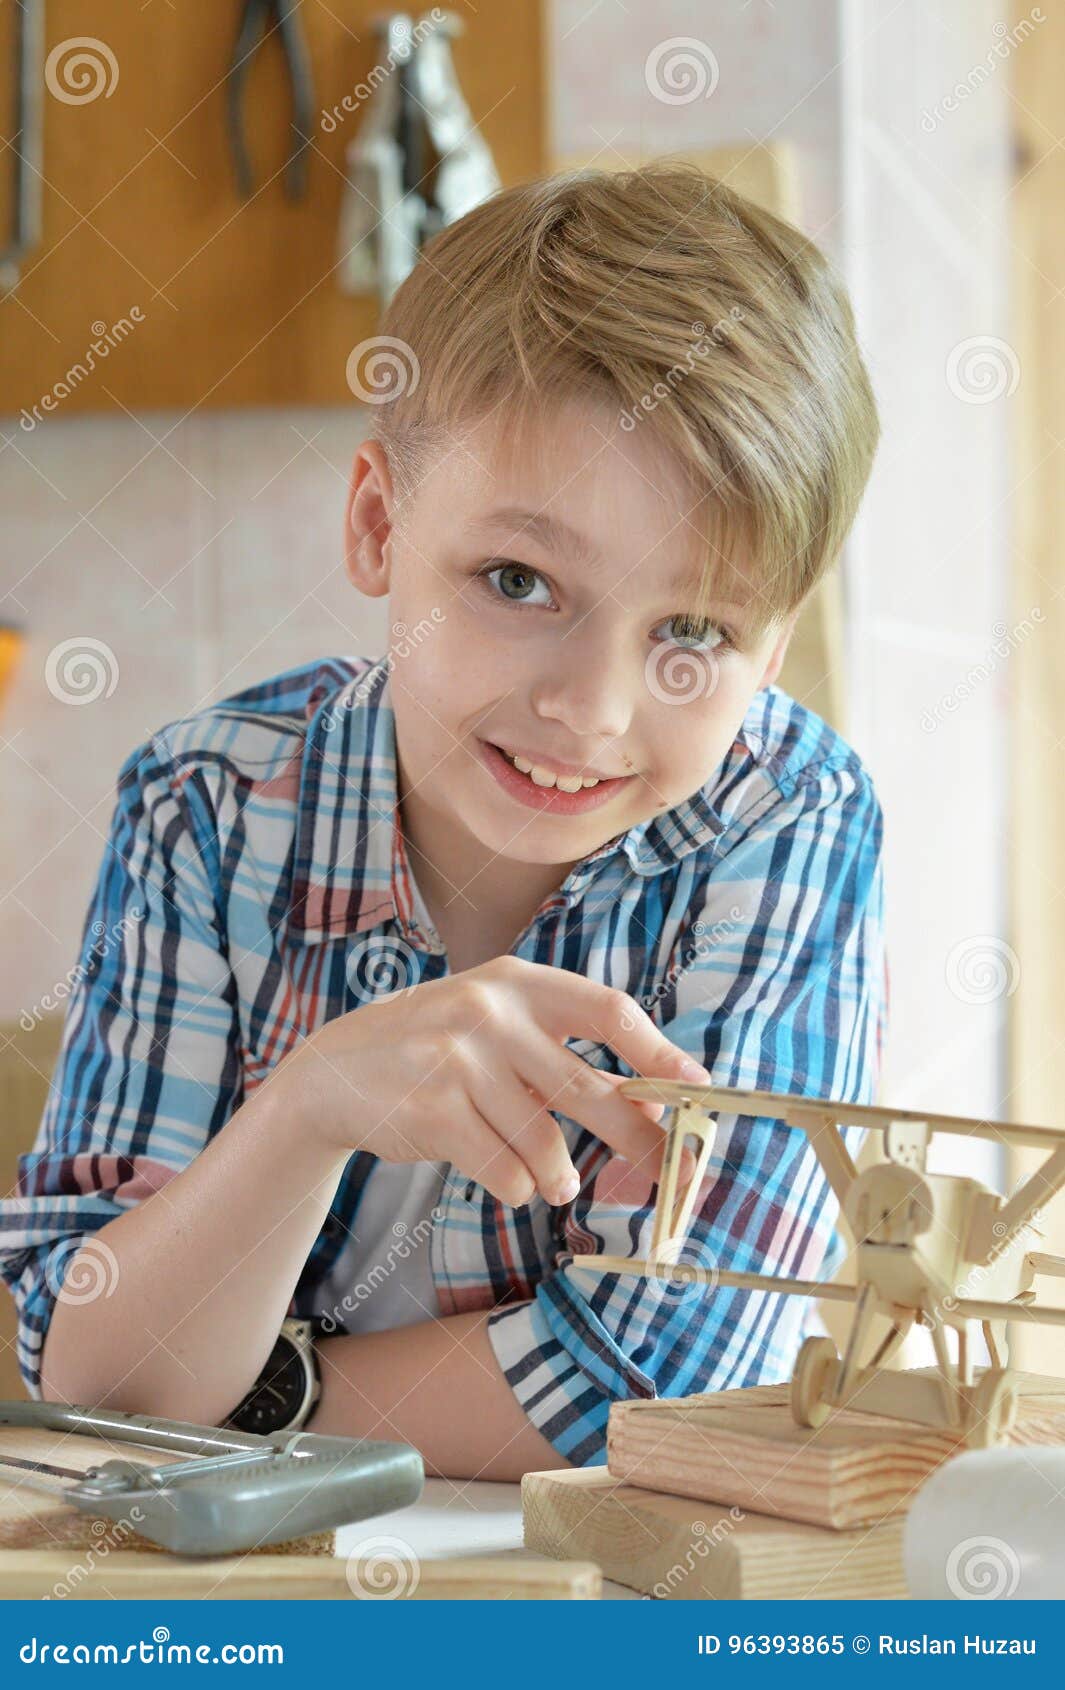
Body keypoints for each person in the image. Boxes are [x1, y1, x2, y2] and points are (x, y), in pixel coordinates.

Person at [0, 160, 886, 1478]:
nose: (590, 710)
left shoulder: (784, 808)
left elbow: (676, 1370)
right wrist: (309, 1108)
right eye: (517, 579)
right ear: (377, 523)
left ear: (774, 646)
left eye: (691, 629)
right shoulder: (206, 804)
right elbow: (84, 1366)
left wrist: (247, 1398)